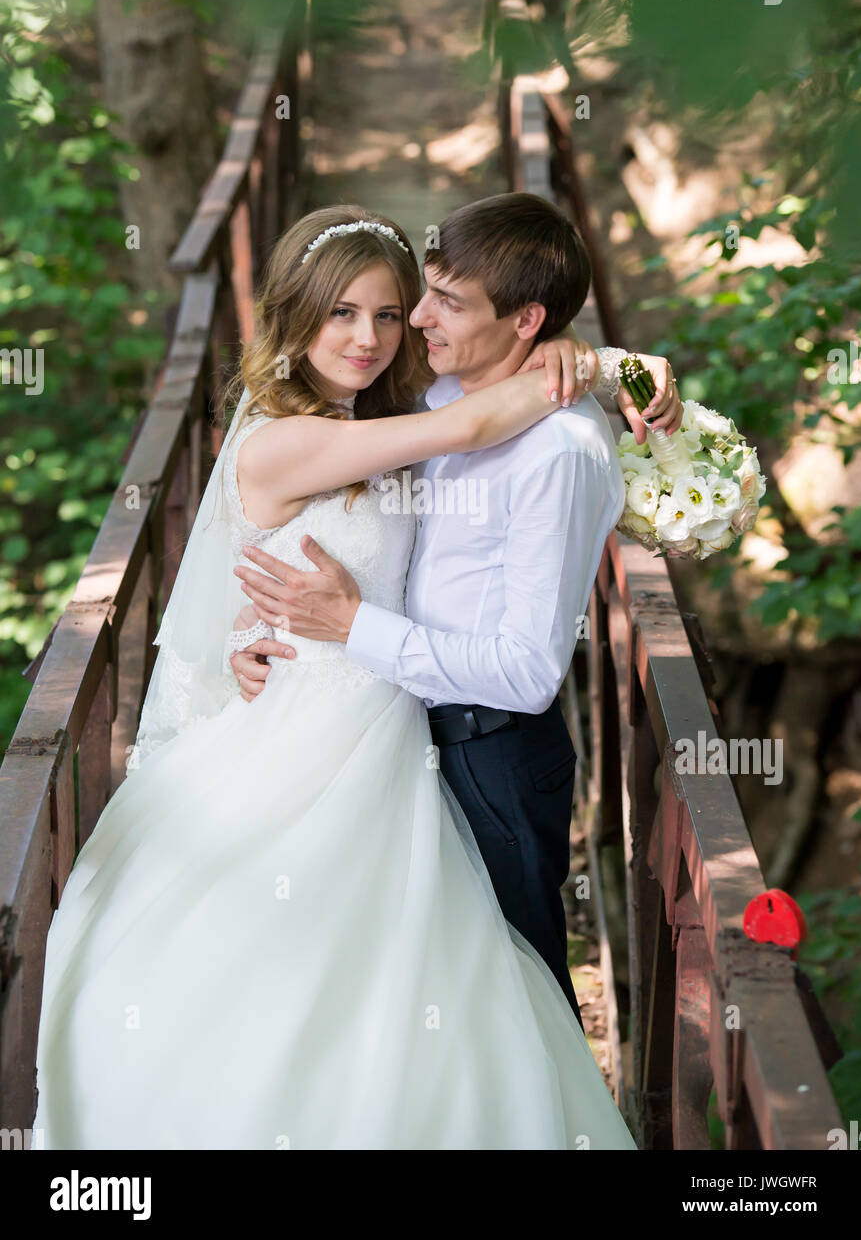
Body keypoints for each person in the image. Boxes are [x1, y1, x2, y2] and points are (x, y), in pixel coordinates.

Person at [30, 201, 658, 1149]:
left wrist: (604, 365)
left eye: (392, 313)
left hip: (391, 736)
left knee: (432, 981)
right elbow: (476, 423)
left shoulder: (399, 412)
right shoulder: (290, 441)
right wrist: (604, 365)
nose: (369, 338)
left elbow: (466, 428)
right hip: (307, 734)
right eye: (341, 315)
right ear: (295, 316)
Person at [230, 192, 682, 1031]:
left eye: (446, 303)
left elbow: (527, 673)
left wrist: (350, 625)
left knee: (519, 1008)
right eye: (424, 293)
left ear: (527, 322)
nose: (415, 322)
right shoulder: (428, 390)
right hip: (389, 735)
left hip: (490, 754)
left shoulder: (560, 452)